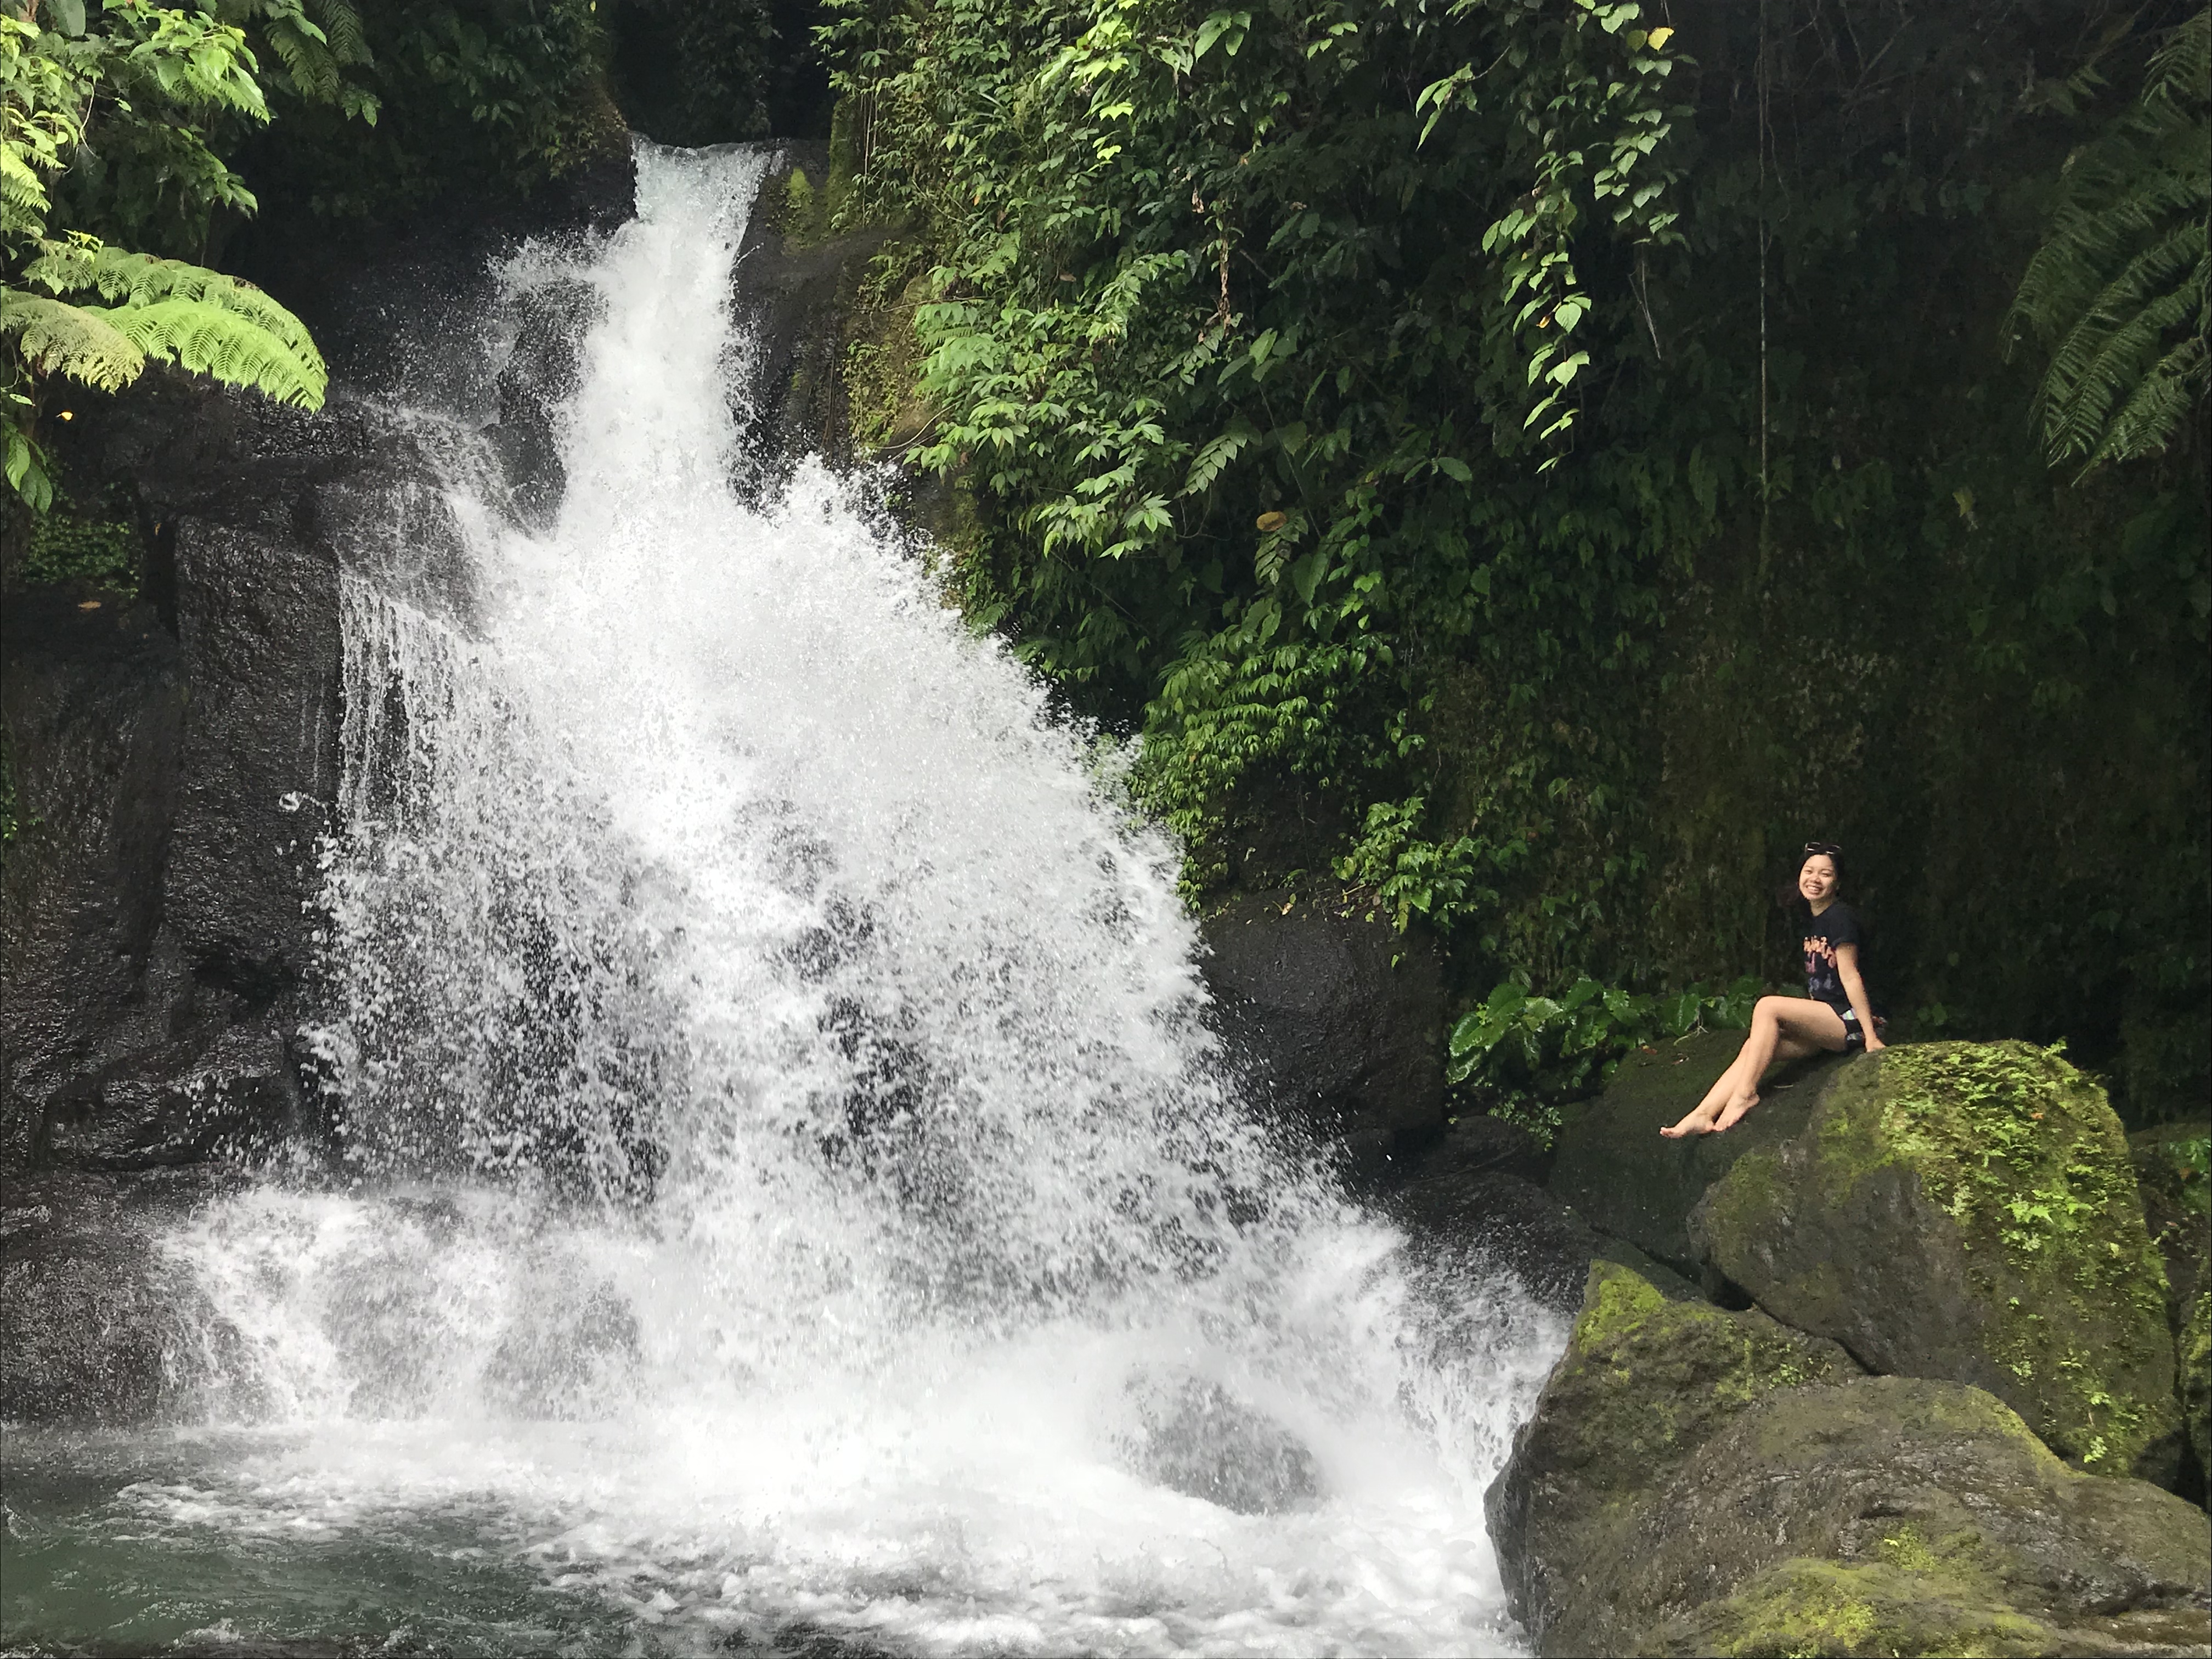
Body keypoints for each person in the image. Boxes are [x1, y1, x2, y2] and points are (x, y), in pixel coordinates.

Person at [1660, 841, 1884, 1138]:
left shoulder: (1840, 918)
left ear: (1838, 882)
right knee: (1755, 1047)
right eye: (1809, 871)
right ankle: (1703, 1113)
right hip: (1829, 1021)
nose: (1815, 879)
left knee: (1768, 1006)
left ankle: (1746, 1094)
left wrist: (1871, 1037)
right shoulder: (1813, 918)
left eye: (1825, 874)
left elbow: (1851, 975)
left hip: (1850, 1020)